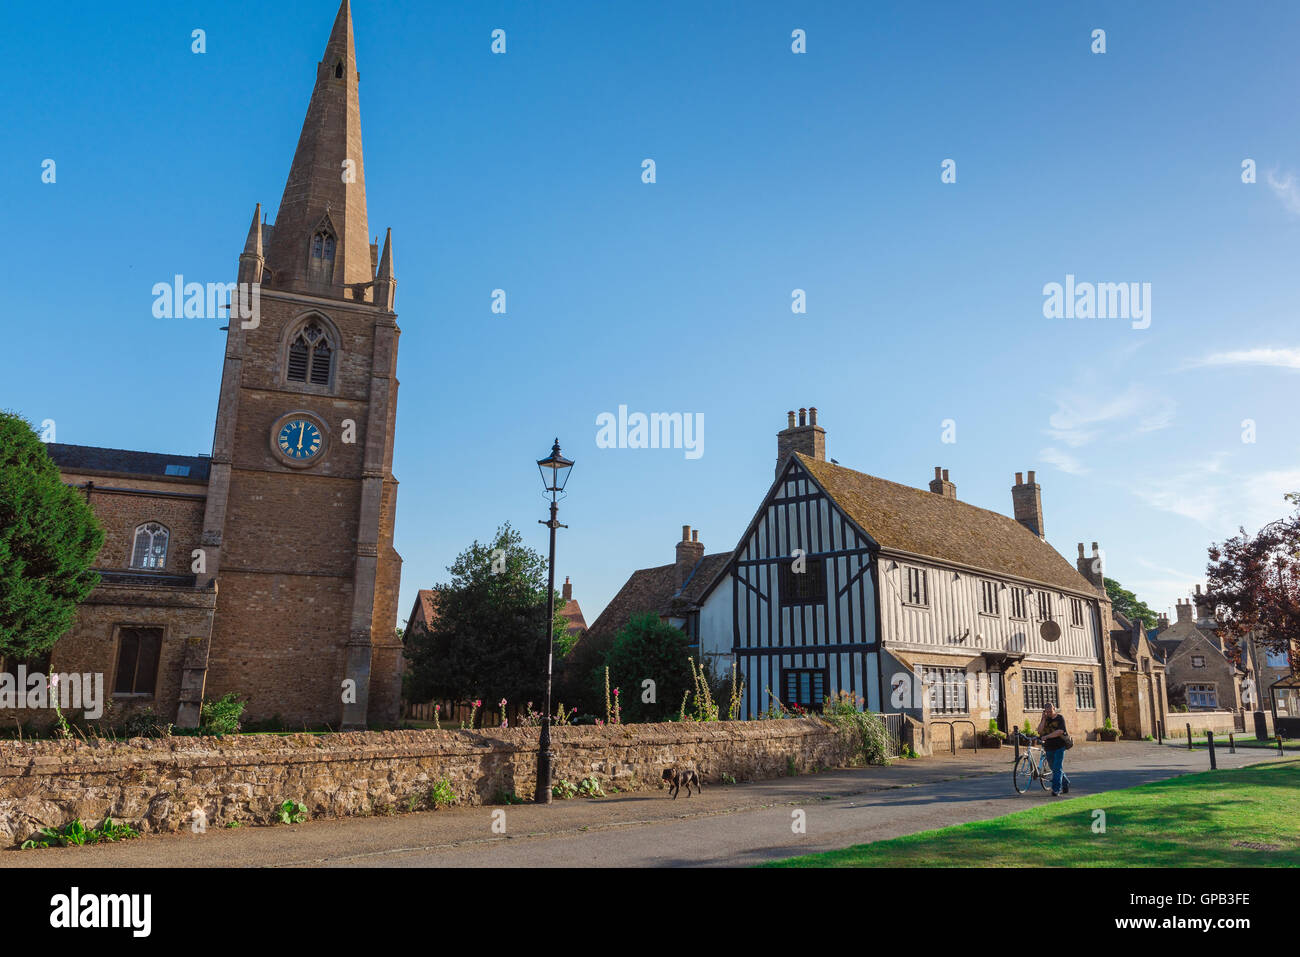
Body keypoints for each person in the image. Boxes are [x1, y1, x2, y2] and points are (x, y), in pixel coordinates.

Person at [1037, 702, 1071, 796]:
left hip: (1059, 746)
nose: (1049, 713)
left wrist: (1047, 736)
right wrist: (1043, 719)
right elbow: (1039, 731)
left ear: (1054, 709)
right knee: (1054, 768)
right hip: (1048, 748)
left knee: (1057, 768)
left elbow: (1060, 731)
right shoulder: (1046, 719)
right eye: (1047, 712)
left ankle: (1056, 789)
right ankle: (1065, 782)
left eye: (1050, 711)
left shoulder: (1060, 718)